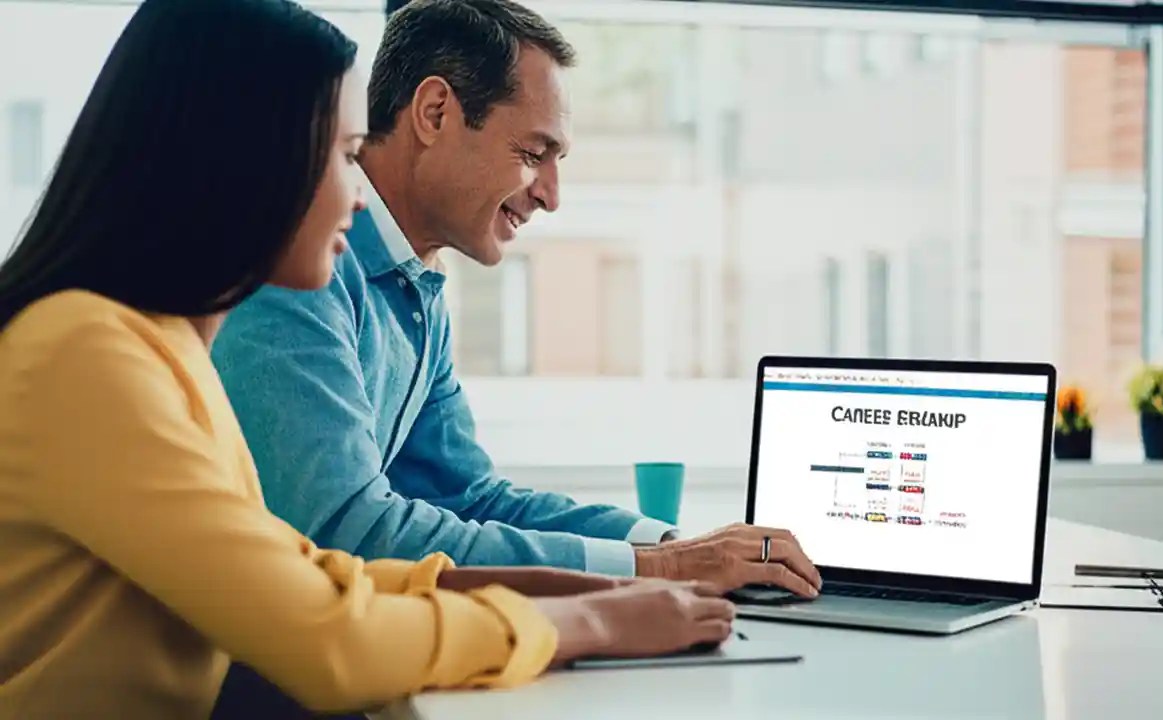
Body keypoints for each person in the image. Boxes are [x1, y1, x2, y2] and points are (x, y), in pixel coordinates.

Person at [0, 1, 735, 717]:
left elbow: (316, 572)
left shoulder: (159, 351)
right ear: (244, 159)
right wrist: (593, 625)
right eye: (347, 156)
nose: (359, 197)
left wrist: (606, 588)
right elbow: (326, 629)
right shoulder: (86, 354)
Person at [212, 0, 823, 600]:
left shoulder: (416, 287)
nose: (551, 196)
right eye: (534, 154)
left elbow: (469, 498)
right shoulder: (298, 266)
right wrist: (658, 568)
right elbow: (349, 533)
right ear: (434, 112)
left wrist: (675, 544)